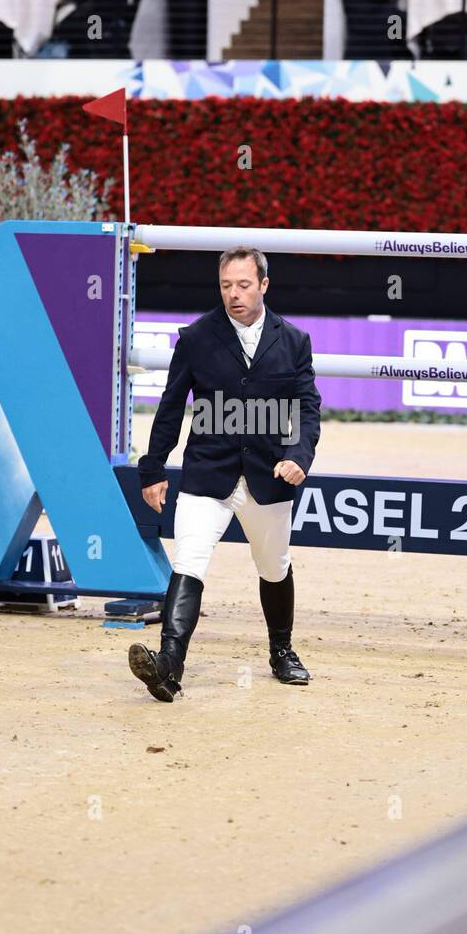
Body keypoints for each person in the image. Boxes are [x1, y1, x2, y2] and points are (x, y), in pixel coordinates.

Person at [129, 246, 321, 701]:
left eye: (244, 285)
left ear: (264, 285)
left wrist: (299, 455)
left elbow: (307, 407)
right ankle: (168, 665)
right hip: (207, 472)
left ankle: (282, 652)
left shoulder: (294, 341)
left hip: (269, 477)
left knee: (274, 566)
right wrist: (153, 467)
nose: (234, 294)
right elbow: (171, 405)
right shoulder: (196, 337)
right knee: (189, 561)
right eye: (226, 285)